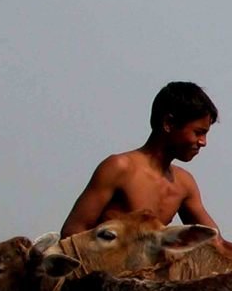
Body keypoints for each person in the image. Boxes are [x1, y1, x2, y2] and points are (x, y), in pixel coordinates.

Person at [60, 82, 222, 238]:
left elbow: (214, 242)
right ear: (169, 123)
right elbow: (72, 231)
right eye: (198, 132)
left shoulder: (184, 184)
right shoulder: (119, 168)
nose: (203, 142)